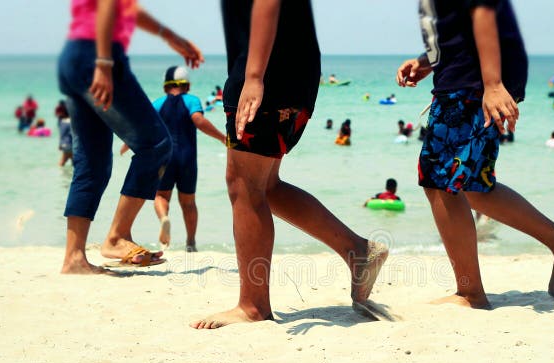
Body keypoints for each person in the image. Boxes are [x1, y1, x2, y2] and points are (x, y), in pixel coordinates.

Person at [191, 0, 388, 329]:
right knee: (266, 186)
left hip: (270, 69)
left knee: (244, 184)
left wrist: (254, 76)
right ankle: (358, 252)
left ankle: (253, 306)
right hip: (289, 67)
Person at [396, 0, 554, 308]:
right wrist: (428, 60)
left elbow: (482, 7)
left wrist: (493, 84)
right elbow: (457, 21)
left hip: (471, 81)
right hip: (468, 75)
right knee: (472, 183)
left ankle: (469, 292)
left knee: (438, 180)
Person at [57, 0, 203, 274]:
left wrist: (170, 36)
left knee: (92, 163)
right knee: (156, 144)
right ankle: (117, 237)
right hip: (96, 55)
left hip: (75, 57)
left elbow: (126, 8)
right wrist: (103, 62)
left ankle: (74, 258)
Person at [127, 65, 225, 251]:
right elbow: (198, 120)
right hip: (187, 158)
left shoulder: (158, 103)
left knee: (161, 196)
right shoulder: (192, 100)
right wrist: (222, 137)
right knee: (188, 202)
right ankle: (191, 243)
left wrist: (129, 144)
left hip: (164, 158)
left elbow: (144, 126)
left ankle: (164, 217)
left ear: (165, 87)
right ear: (187, 86)